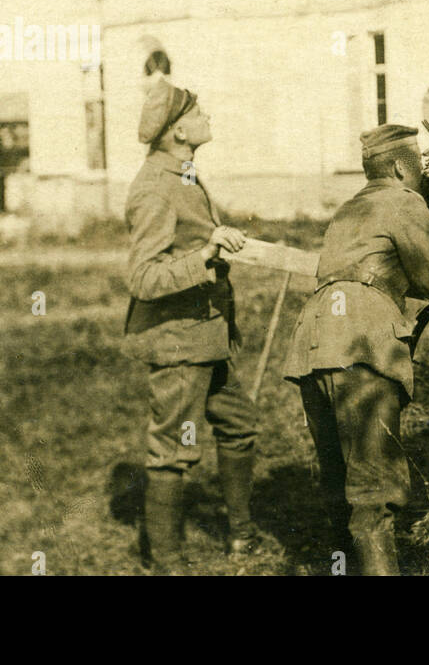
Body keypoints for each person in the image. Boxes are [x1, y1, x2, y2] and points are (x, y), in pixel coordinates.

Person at [283, 124, 429, 575]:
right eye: (420, 166)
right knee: (374, 492)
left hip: (313, 342)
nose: (425, 174)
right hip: (361, 343)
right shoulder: (405, 201)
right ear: (399, 167)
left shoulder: (350, 208)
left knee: (340, 484)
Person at [124, 77, 260, 573]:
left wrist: (214, 245)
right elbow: (141, 276)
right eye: (200, 113)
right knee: (172, 453)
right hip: (178, 341)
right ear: (179, 131)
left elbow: (193, 239)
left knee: (239, 426)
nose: (209, 118)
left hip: (208, 334)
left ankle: (241, 538)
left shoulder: (184, 174)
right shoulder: (155, 187)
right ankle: (168, 563)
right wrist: (205, 255)